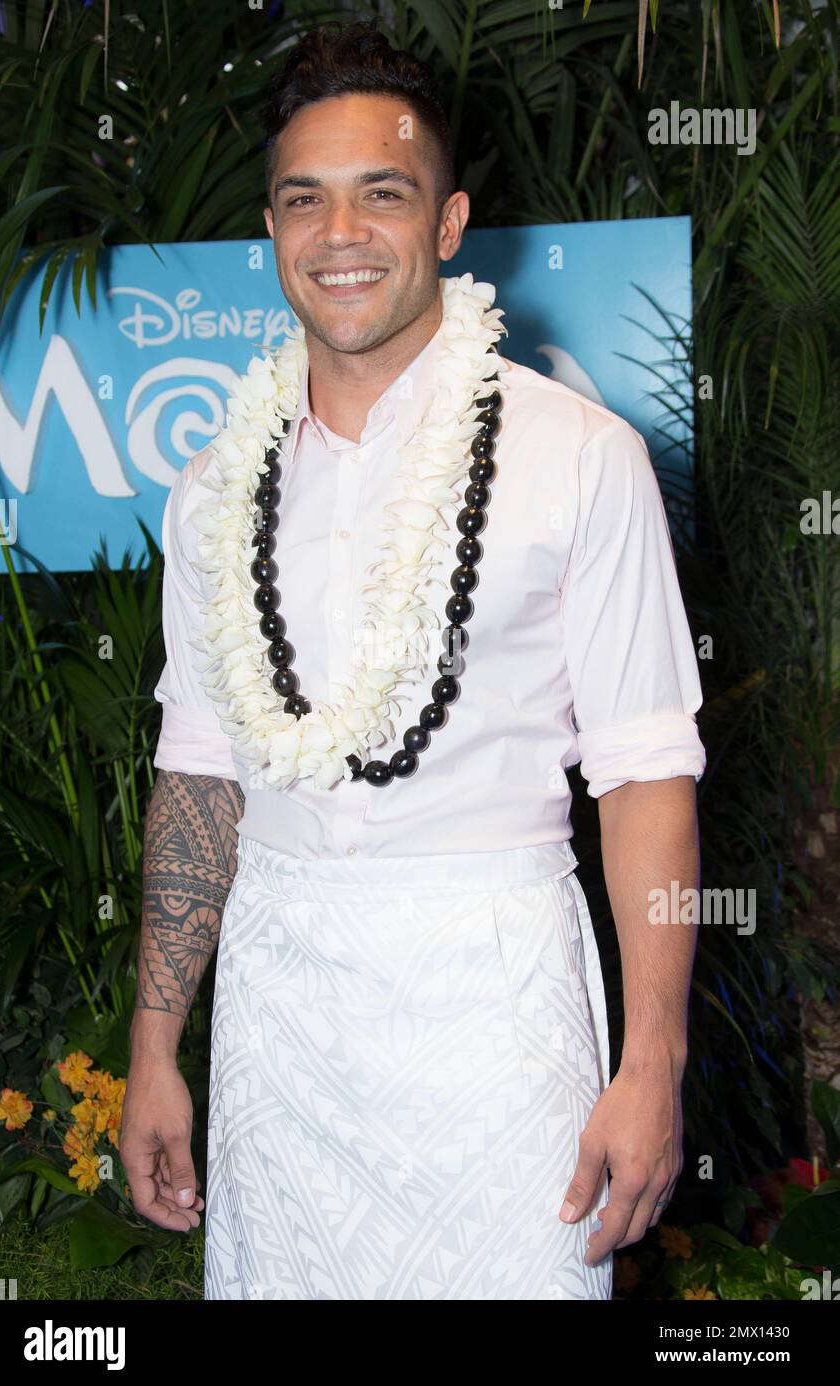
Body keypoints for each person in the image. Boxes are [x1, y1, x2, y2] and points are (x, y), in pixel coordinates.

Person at [119, 20, 706, 1301]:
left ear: (445, 225)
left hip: (497, 1008)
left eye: (380, 195)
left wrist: (650, 1060)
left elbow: (646, 770)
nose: (339, 234)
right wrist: (156, 1046)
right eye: (302, 201)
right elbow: (201, 776)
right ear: (270, 232)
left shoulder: (576, 456)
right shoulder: (212, 486)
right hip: (278, 1022)